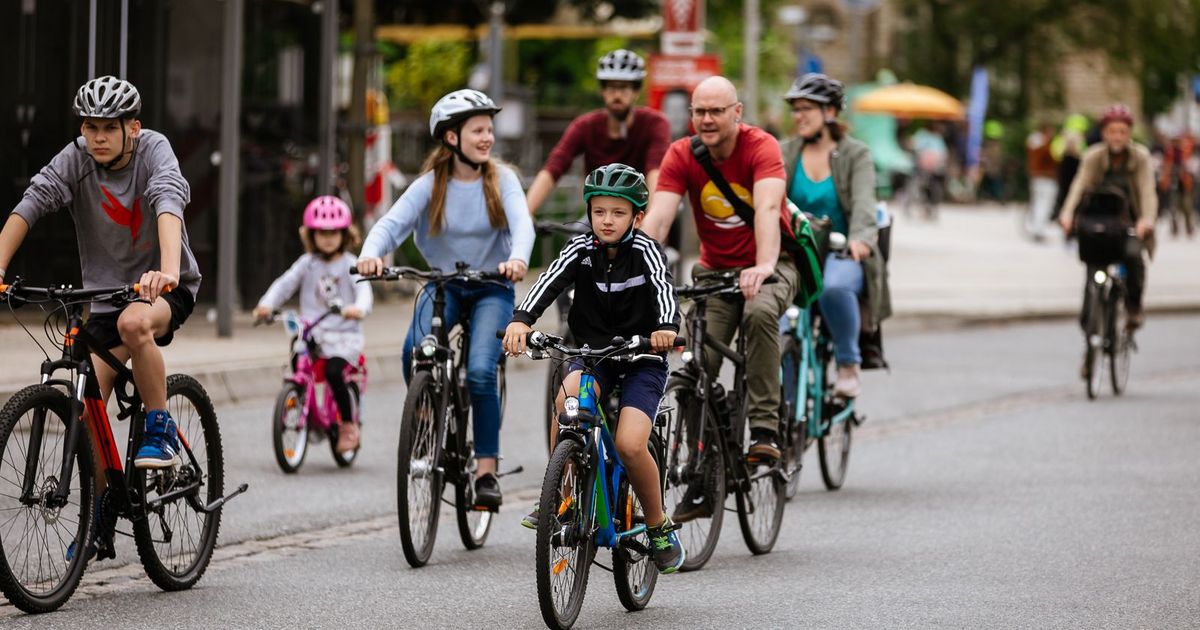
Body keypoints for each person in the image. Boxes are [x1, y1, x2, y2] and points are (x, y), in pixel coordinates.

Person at [0, 76, 200, 471]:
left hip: (163, 289)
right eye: (91, 126)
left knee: (134, 323)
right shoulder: (75, 159)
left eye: (110, 127)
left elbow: (167, 200)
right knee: (88, 413)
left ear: (133, 128)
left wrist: (168, 271)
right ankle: (99, 524)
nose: (99, 136)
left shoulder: (154, 150)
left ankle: (159, 430)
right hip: (107, 296)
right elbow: (33, 201)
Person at [503, 163, 685, 573]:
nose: (607, 220)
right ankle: (560, 492)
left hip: (642, 359)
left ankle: (658, 526)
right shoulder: (579, 249)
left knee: (630, 444)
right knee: (567, 403)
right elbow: (547, 281)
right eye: (599, 211)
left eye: (618, 213)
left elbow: (664, 291)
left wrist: (665, 329)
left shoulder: (647, 252)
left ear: (637, 217)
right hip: (592, 354)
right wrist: (521, 320)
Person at [357, 89, 534, 510]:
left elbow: (523, 225)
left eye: (489, 129)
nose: (487, 137)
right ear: (452, 138)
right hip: (442, 284)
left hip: (493, 285)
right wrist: (369, 255)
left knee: (478, 372)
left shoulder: (501, 180)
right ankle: (426, 424)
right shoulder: (430, 185)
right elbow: (389, 225)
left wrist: (517, 259)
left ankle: (487, 472)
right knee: (413, 351)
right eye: (478, 130)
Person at [641, 76, 799, 475]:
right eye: (700, 111)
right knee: (697, 363)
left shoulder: (762, 146)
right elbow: (659, 217)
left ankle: (764, 429)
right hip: (715, 272)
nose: (707, 119)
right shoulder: (682, 154)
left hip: (773, 263)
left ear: (737, 113)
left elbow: (766, 208)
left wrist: (763, 265)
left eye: (716, 111)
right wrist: (630, 265)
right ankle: (705, 465)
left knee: (760, 314)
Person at [780, 73, 890, 399]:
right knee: (777, 323)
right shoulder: (784, 152)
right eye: (795, 108)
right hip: (796, 253)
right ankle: (783, 409)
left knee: (833, 288)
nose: (798, 115)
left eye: (806, 108)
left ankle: (847, 362)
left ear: (830, 112)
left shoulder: (856, 154)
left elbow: (864, 205)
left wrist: (861, 239)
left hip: (842, 252)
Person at [253, 196, 372, 454]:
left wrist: (358, 309)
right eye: (321, 233)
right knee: (298, 357)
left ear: (344, 234)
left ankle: (349, 425)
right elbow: (285, 284)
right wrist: (267, 305)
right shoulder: (307, 263)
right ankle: (301, 404)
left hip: (344, 337)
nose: (328, 238)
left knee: (333, 373)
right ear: (311, 235)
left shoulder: (351, 264)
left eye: (334, 232)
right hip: (314, 333)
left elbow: (364, 292)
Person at [524, 49, 671, 216]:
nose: (616, 95)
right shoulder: (585, 126)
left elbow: (655, 173)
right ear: (602, 90)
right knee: (577, 240)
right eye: (611, 87)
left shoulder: (654, 123)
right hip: (600, 214)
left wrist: (650, 219)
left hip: (641, 211)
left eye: (624, 88)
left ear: (636, 91)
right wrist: (525, 215)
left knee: (662, 231)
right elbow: (553, 168)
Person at [1058, 103, 1157, 330]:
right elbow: (1078, 186)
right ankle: (1089, 328)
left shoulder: (1140, 157)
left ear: (1129, 134)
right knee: (1093, 263)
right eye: (1112, 131)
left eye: (1122, 132)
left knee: (1133, 256)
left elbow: (1147, 192)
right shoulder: (1093, 156)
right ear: (1104, 133)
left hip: (1130, 222)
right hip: (1098, 221)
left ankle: (1133, 306)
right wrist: (1066, 214)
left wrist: (1147, 220)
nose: (1117, 137)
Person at [1026, 122, 1060, 241]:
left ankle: (1037, 228)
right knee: (1044, 205)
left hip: (1037, 178)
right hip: (1046, 179)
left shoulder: (1033, 144)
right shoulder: (1045, 146)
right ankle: (1039, 230)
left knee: (1038, 204)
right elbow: (1054, 158)